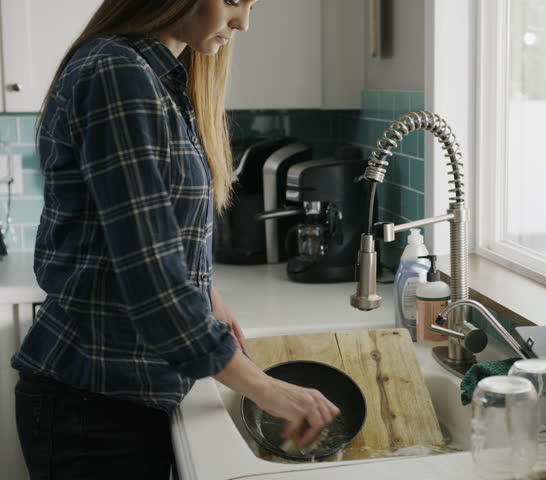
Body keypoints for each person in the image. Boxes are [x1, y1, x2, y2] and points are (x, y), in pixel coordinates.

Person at [11, 1, 339, 478]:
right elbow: (150, 277)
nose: (243, 23)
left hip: (120, 398)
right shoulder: (117, 72)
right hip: (93, 408)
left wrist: (207, 293)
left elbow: (145, 230)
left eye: (252, 4)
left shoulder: (158, 78)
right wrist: (266, 389)